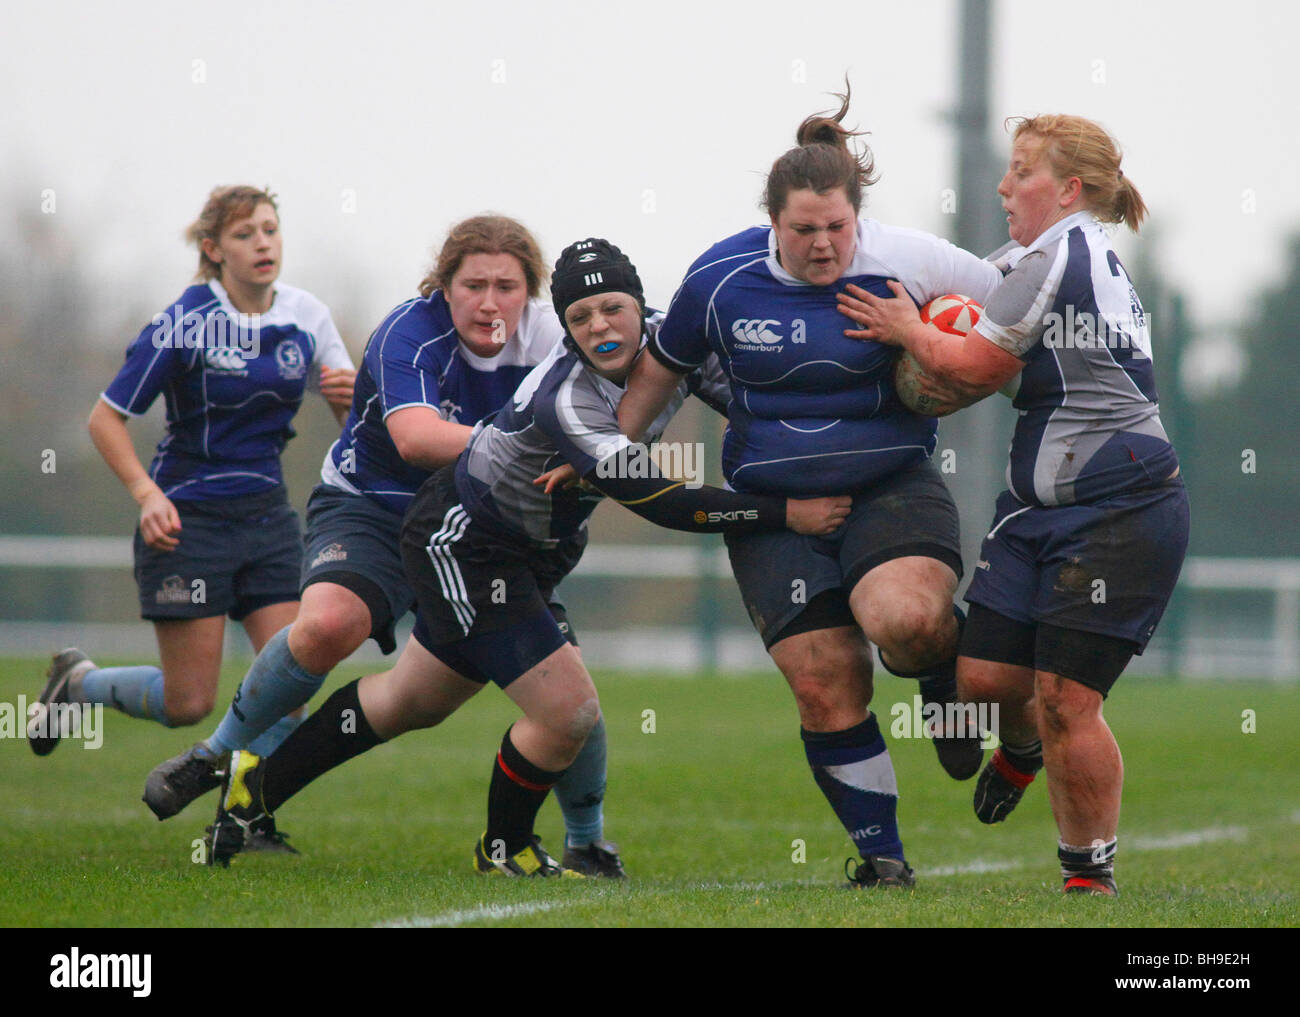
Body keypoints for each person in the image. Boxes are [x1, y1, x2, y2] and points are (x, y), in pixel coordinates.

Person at [200, 238, 850, 873]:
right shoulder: (567, 398)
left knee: (410, 700)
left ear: (642, 307)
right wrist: (786, 513)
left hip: (529, 550)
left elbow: (750, 399)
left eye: (614, 308)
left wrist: (830, 431)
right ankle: (507, 848)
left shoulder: (672, 343)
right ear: (564, 329)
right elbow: (660, 500)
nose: (600, 326)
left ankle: (250, 794)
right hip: (467, 544)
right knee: (568, 710)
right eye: (580, 317)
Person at [141, 215, 625, 876]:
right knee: (328, 626)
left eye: (507, 287)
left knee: (528, 687)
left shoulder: (550, 332)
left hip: (479, 535)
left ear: (531, 291)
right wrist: (543, 442)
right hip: (373, 508)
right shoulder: (410, 331)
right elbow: (416, 439)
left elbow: (644, 337)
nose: (489, 303)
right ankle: (215, 755)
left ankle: (587, 844)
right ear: (443, 286)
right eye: (473, 285)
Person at [616, 88, 1005, 888]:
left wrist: (934, 345)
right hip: (771, 510)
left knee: (905, 620)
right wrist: (603, 455)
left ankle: (939, 671)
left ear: (858, 215)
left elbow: (1014, 313)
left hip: (890, 484)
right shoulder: (719, 279)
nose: (824, 244)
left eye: (838, 226)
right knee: (827, 683)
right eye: (804, 230)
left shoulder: (910, 260)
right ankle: (883, 858)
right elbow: (659, 372)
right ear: (773, 222)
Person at [835, 114, 1189, 896]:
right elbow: (949, 288)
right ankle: (1022, 749)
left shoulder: (1064, 256)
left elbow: (971, 364)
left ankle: (1087, 875)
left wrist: (908, 331)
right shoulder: (1032, 259)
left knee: (1065, 698)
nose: (1003, 185)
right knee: (987, 680)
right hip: (1035, 509)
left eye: (1022, 171)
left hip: (1121, 509)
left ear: (1068, 189)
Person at [27, 187, 355, 819]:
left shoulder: (308, 316)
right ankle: (79, 684)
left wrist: (349, 399)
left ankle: (244, 818)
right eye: (244, 234)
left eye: (270, 229)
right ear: (213, 249)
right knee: (189, 704)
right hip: (189, 523)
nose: (262, 243)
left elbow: (358, 432)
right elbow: (105, 419)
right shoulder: (185, 321)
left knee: (289, 688)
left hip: (268, 519)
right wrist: (146, 494)